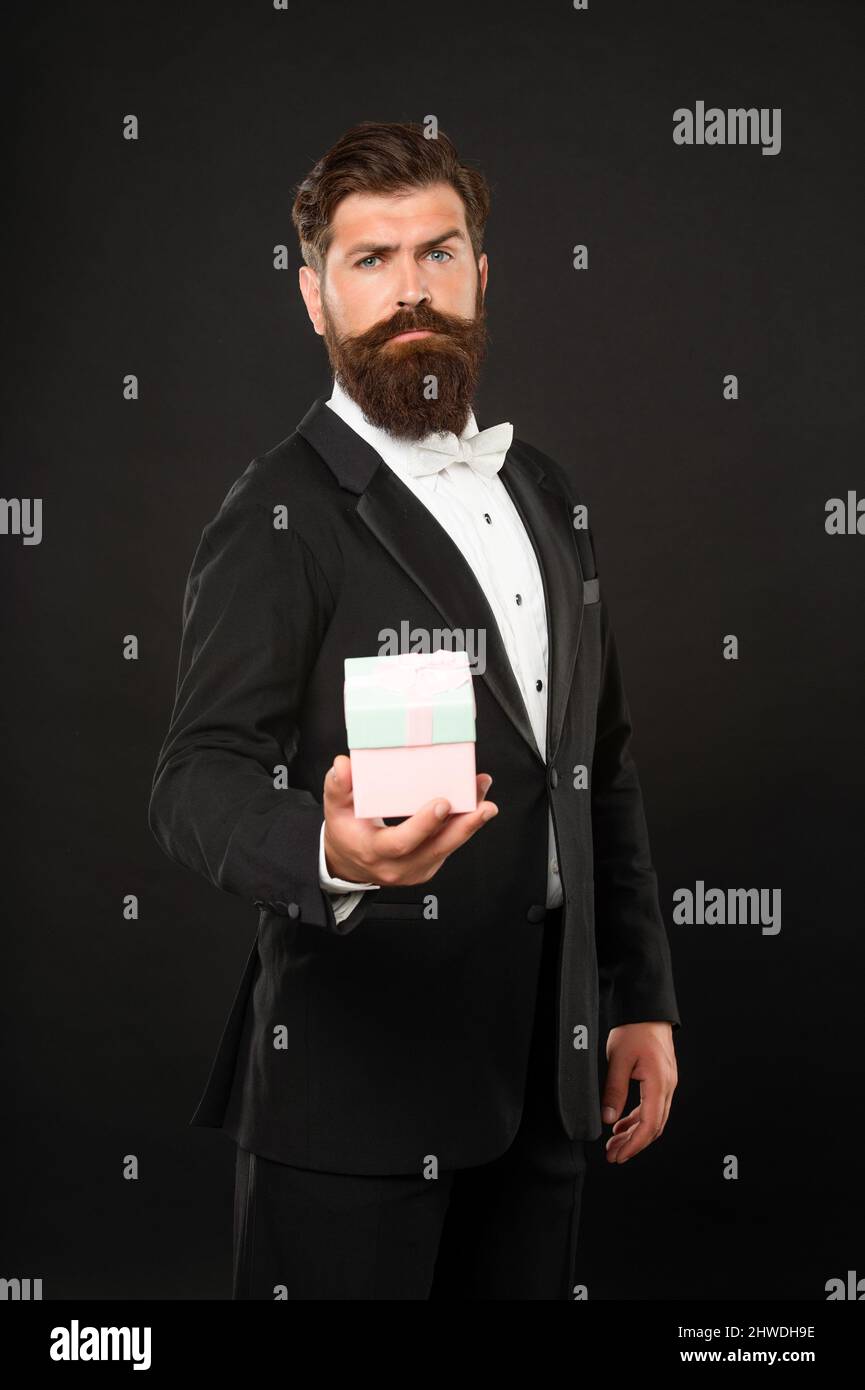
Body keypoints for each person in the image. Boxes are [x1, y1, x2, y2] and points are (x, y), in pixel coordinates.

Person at [148, 120, 681, 1300]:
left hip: (549, 1076)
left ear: (482, 275)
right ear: (314, 298)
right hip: (356, 1098)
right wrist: (325, 848)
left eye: (438, 253)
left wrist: (635, 997)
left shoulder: (546, 489)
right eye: (370, 261)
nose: (410, 292)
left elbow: (600, 759)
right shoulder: (277, 511)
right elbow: (194, 778)